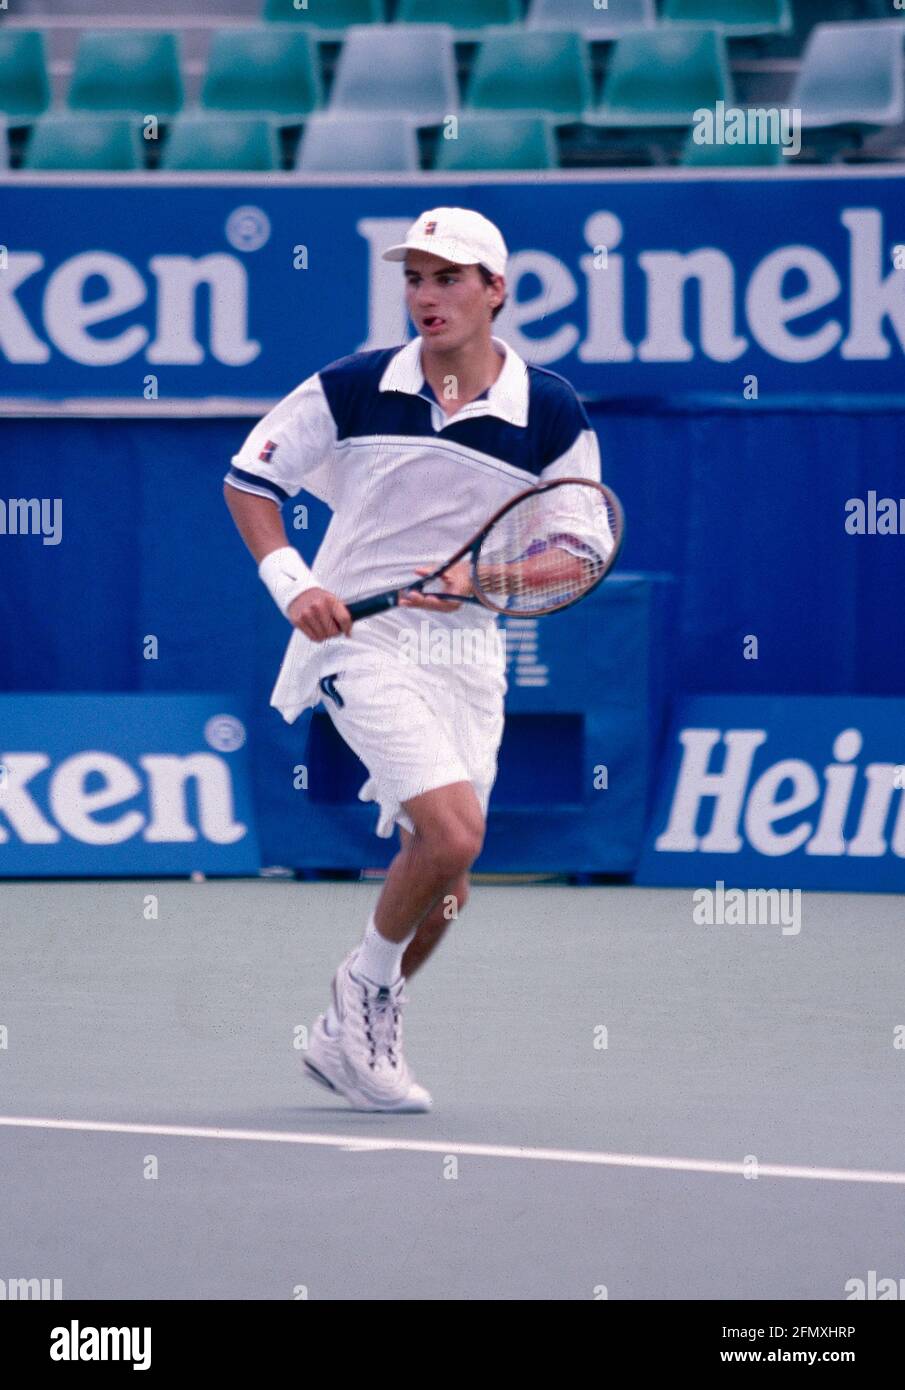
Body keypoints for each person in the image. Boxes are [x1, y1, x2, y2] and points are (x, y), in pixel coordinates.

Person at [224, 207, 602, 1111]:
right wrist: (293, 585)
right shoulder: (354, 384)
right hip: (360, 641)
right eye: (415, 278)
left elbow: (581, 550)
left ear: (494, 291)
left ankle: (349, 1025)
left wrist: (486, 575)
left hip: (467, 655)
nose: (426, 296)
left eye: (448, 278)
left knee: (448, 880)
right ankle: (362, 999)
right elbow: (250, 479)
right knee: (456, 832)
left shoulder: (547, 409)